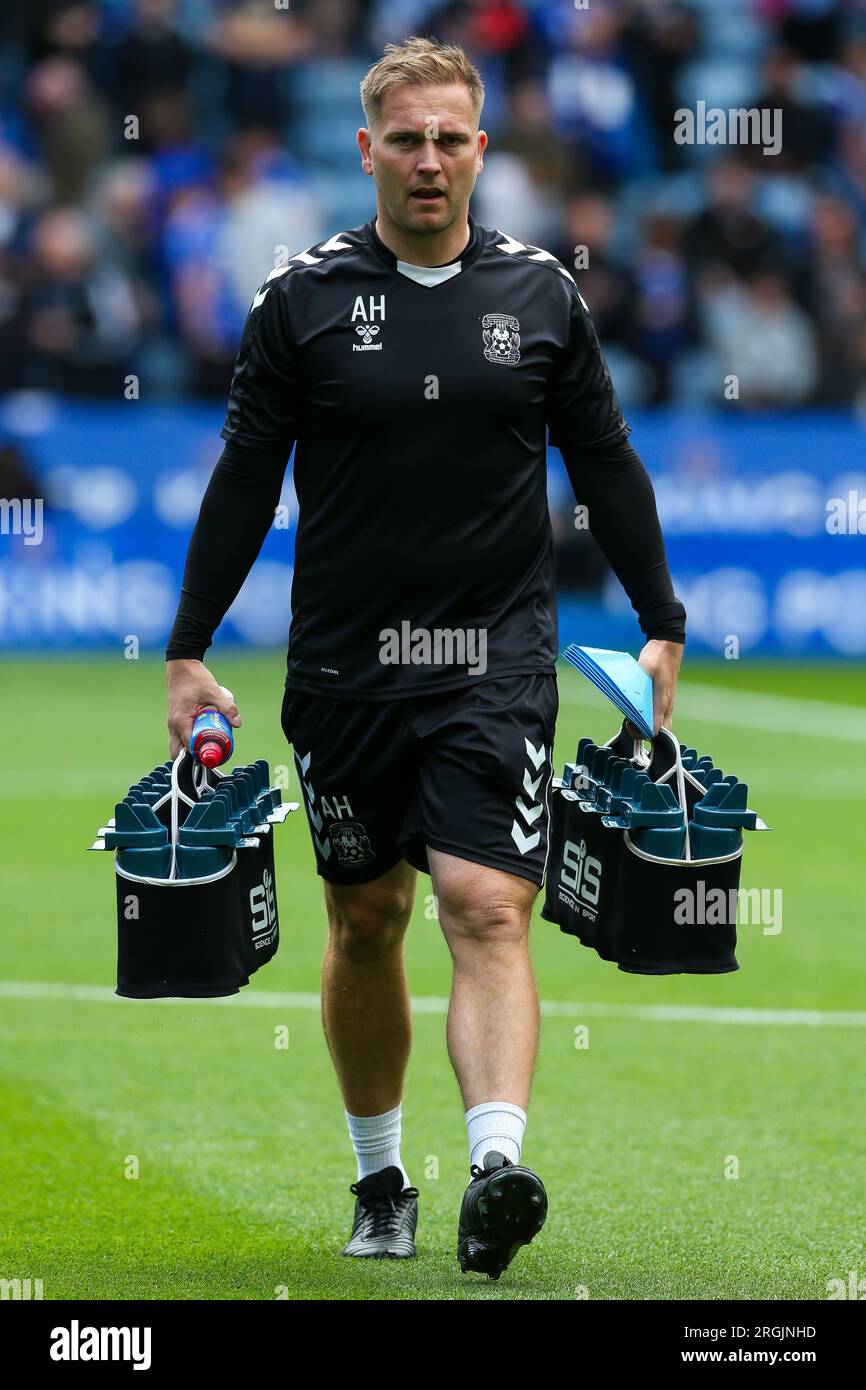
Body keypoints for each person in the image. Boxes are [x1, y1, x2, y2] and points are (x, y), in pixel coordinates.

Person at [165, 35, 685, 1280]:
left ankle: (497, 1166)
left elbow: (605, 464)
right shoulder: (297, 301)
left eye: (451, 137)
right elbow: (243, 479)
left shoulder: (542, 296)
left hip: (494, 660)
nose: (430, 160)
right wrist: (187, 647)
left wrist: (660, 620)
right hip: (344, 669)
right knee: (362, 922)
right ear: (366, 151)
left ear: (481, 150)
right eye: (406, 138)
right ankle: (381, 1175)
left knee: (488, 904)